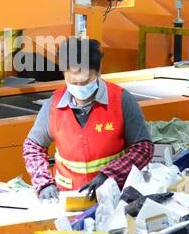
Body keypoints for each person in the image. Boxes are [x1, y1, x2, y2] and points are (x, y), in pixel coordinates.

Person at [23, 38, 154, 202]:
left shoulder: (121, 101)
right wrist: (44, 184)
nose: (79, 87)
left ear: (99, 71)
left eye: (85, 82)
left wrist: (109, 175)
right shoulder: (52, 106)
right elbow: (32, 147)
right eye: (72, 82)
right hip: (67, 199)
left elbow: (143, 148)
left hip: (113, 197)